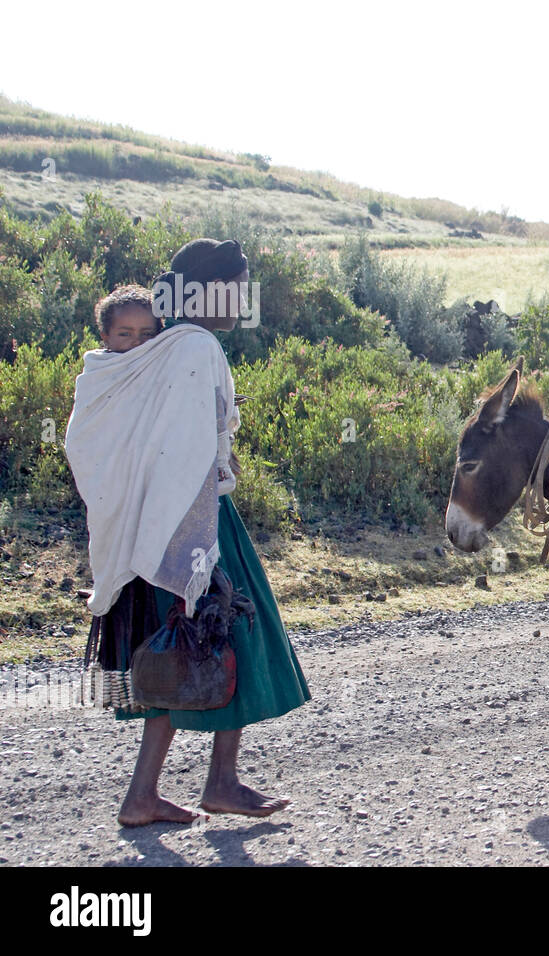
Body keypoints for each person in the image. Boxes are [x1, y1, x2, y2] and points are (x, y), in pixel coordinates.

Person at [68, 239, 310, 826]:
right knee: (231, 632)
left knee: (184, 647)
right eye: (238, 286)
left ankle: (148, 794)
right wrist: (199, 544)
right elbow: (193, 449)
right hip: (194, 519)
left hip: (163, 519)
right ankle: (217, 783)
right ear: (209, 291)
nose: (243, 299)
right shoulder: (194, 346)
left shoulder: (170, 344)